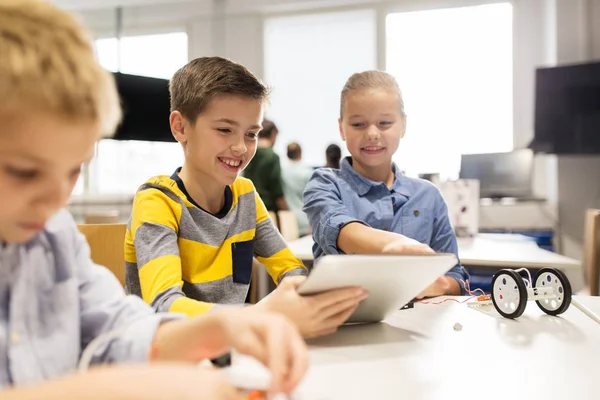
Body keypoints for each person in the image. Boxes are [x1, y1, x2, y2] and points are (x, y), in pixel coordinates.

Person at [0, 1, 308, 398]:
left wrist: (223, 328)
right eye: (25, 173)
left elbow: (117, 330)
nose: (57, 199)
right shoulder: (157, 200)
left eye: (75, 169)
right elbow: (160, 306)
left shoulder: (53, 236)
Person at [124, 57, 368, 338]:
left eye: (251, 134)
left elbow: (290, 269)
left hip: (234, 350)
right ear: (180, 127)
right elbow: (165, 307)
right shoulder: (157, 201)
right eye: (225, 130)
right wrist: (261, 314)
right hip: (169, 360)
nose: (240, 147)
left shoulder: (245, 195)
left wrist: (303, 293)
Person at [303, 70, 468, 298]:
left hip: (416, 327)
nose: (372, 133)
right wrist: (396, 249)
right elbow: (341, 230)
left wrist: (437, 285)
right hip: (344, 325)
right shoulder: (325, 184)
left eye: (385, 123)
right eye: (359, 124)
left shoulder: (428, 195)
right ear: (342, 128)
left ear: (403, 126)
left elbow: (456, 276)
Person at [242, 119, 288, 212]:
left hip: (248, 206)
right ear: (273, 133)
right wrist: (285, 210)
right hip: (267, 209)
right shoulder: (273, 156)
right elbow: (276, 188)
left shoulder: (249, 154)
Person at [282, 142, 312, 236]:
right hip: (306, 221)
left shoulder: (282, 172)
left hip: (288, 222)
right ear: (300, 153)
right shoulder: (307, 173)